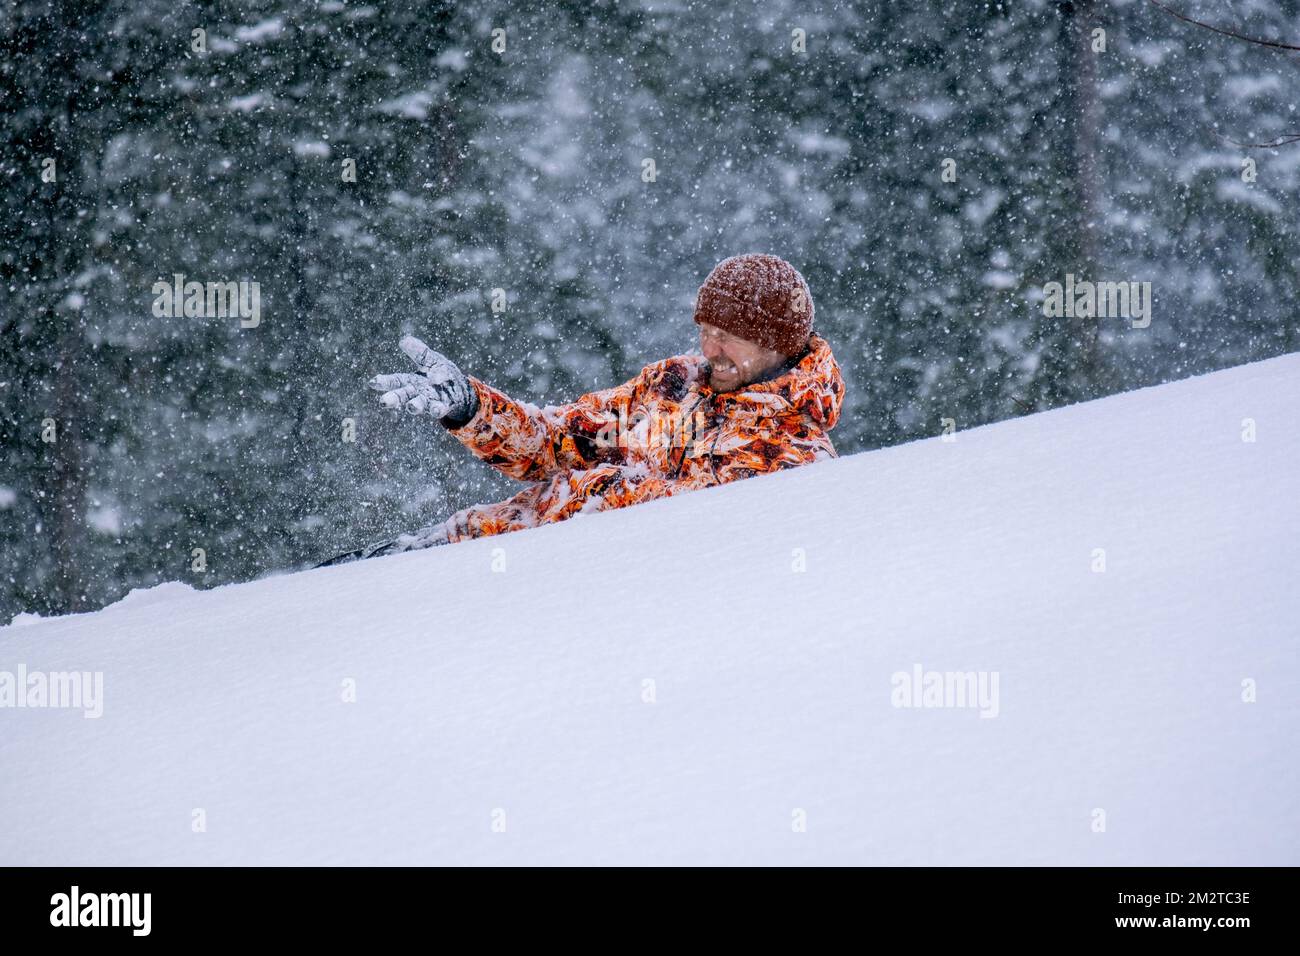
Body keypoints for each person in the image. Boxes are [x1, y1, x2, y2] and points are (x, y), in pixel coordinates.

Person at [339, 253, 845, 561]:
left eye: (728, 338)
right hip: (460, 542)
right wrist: (473, 409)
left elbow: (688, 546)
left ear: (777, 345)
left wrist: (595, 487)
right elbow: (558, 443)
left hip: (551, 601)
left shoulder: (795, 458)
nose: (710, 350)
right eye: (705, 331)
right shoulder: (672, 385)